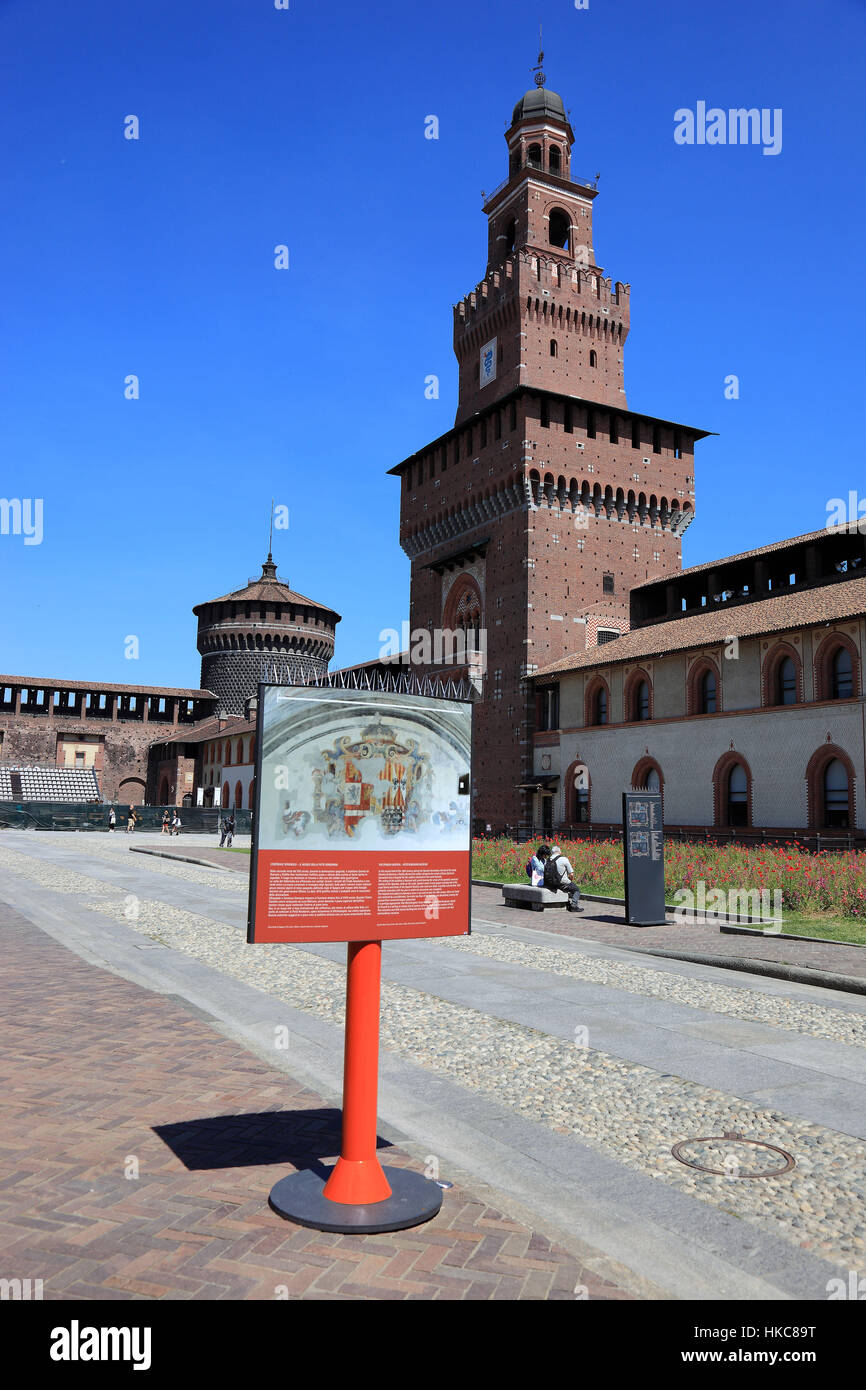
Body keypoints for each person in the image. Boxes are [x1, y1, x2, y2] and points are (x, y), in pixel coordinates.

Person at [544, 845, 583, 912]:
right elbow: (571, 874)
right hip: (562, 883)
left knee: (564, 888)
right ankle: (574, 905)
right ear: (559, 852)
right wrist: (570, 880)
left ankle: (567, 903)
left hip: (550, 883)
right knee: (576, 890)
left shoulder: (547, 860)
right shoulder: (564, 859)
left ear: (552, 852)